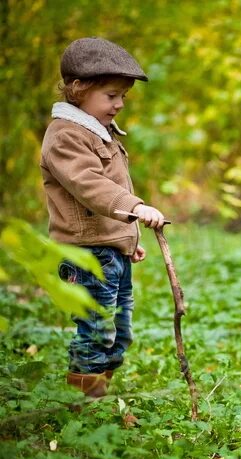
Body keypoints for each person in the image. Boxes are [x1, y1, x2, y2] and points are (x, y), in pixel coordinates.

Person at [40, 37, 166, 397]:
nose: (120, 104)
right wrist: (137, 208)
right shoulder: (65, 135)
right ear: (79, 88)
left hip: (108, 252)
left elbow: (108, 192)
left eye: (123, 96)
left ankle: (97, 395)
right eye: (111, 95)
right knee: (96, 330)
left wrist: (127, 241)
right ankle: (84, 405)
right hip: (87, 254)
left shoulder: (99, 131)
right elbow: (90, 185)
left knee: (118, 332)